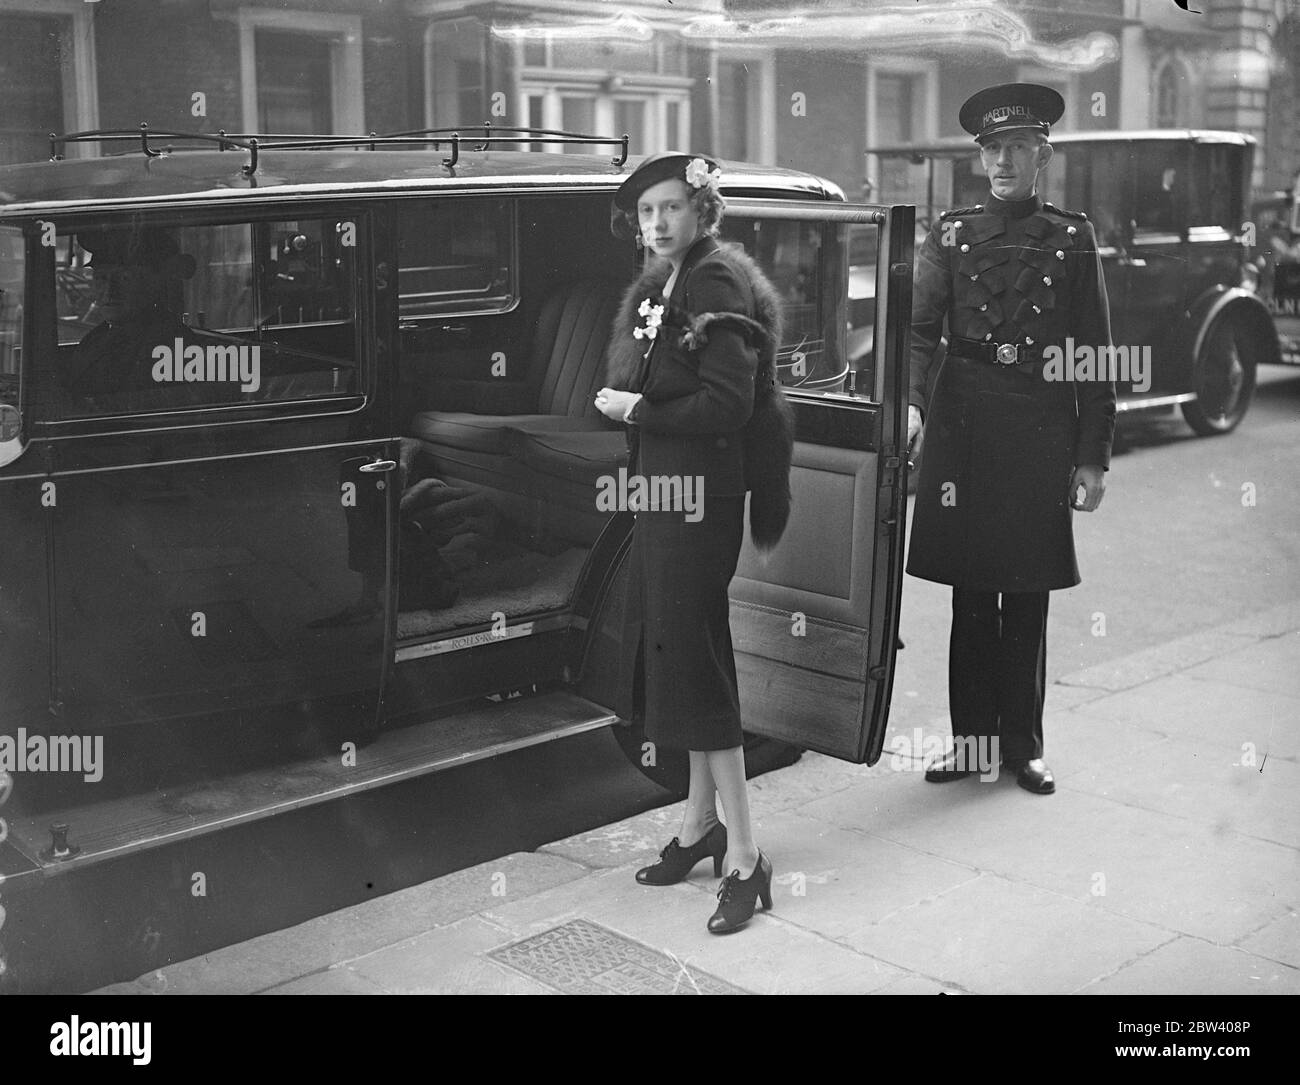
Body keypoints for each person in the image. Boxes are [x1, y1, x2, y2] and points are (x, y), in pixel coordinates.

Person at [595, 152, 787, 933]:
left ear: (702, 211)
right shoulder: (670, 281)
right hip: (671, 494)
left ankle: (745, 854)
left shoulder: (712, 282)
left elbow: (727, 405)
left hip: (702, 499)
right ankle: (697, 825)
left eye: (672, 208)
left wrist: (637, 411)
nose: (658, 224)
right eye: (646, 213)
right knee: (684, 649)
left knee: (699, 662)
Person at [907, 84, 1116, 795]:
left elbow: (1093, 350)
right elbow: (916, 332)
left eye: (1016, 148)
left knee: (1026, 594)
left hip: (1038, 430)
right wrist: (910, 407)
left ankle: (1022, 747)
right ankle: (971, 744)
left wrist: (1091, 455)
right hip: (964, 429)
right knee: (971, 595)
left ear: (1041, 157)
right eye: (992, 149)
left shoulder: (1072, 236)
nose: (1001, 161)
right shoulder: (951, 233)